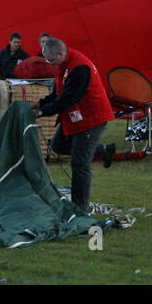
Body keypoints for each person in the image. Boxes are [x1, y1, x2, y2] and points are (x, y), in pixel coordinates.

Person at [35, 37, 116, 208]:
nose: (50, 64)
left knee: (80, 163)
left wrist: (42, 112)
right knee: (58, 145)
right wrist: (40, 103)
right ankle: (103, 150)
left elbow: (67, 99)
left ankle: (80, 207)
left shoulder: (79, 68)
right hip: (76, 116)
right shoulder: (63, 64)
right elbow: (59, 91)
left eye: (51, 60)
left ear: (60, 53)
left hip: (91, 117)